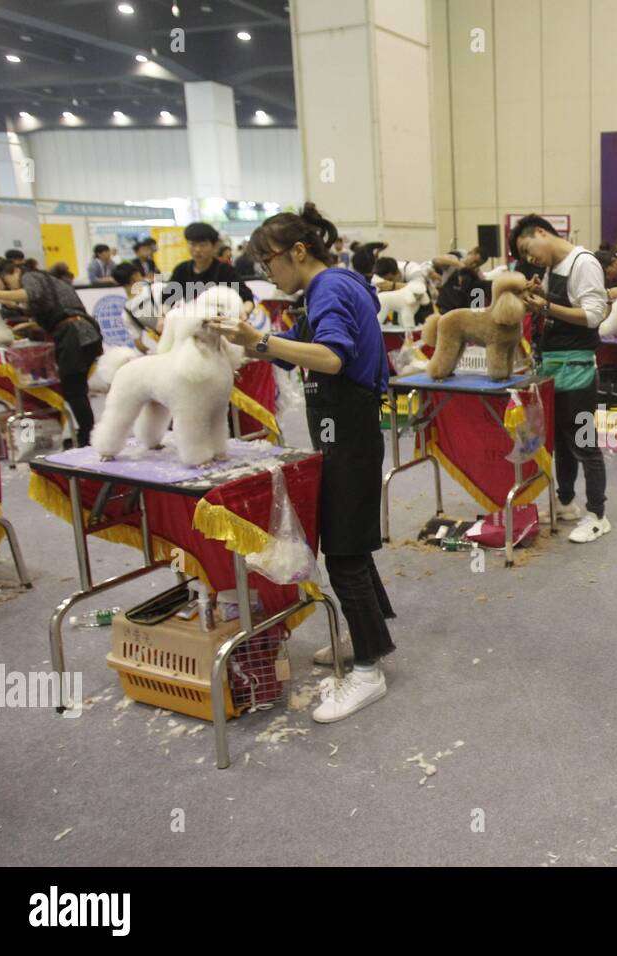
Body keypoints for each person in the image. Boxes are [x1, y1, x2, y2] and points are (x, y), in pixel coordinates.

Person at [217, 203, 397, 723]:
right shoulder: (340, 284)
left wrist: (264, 341)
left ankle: (367, 671)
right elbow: (315, 348)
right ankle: (370, 636)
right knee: (352, 543)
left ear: (298, 251)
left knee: (343, 551)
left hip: (351, 432)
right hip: (347, 430)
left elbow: (334, 357)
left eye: (268, 261)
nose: (268, 274)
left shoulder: (330, 288)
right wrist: (259, 348)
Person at [510, 214, 611, 543]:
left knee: (584, 443)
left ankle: (597, 515)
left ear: (541, 232)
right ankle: (566, 502)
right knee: (561, 443)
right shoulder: (553, 269)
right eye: (524, 257)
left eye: (528, 249)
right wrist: (542, 297)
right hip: (553, 369)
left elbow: (595, 314)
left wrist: (547, 306)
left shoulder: (583, 262)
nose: (530, 259)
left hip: (579, 371)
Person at [0, 259, 102, 447]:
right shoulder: (43, 279)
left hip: (76, 333)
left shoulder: (31, 276)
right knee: (75, 390)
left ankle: (89, 437)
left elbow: (32, 294)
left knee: (74, 391)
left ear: (14, 271)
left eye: (8, 281)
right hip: (75, 332)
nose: (10, 285)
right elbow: (49, 307)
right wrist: (30, 324)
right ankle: (87, 433)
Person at [163, 222, 254, 312]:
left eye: (202, 245)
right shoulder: (181, 270)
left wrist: (244, 313)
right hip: (191, 320)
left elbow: (247, 299)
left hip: (220, 322)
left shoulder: (225, 270)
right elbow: (167, 299)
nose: (197, 250)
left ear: (214, 246)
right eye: (193, 244)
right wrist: (162, 318)